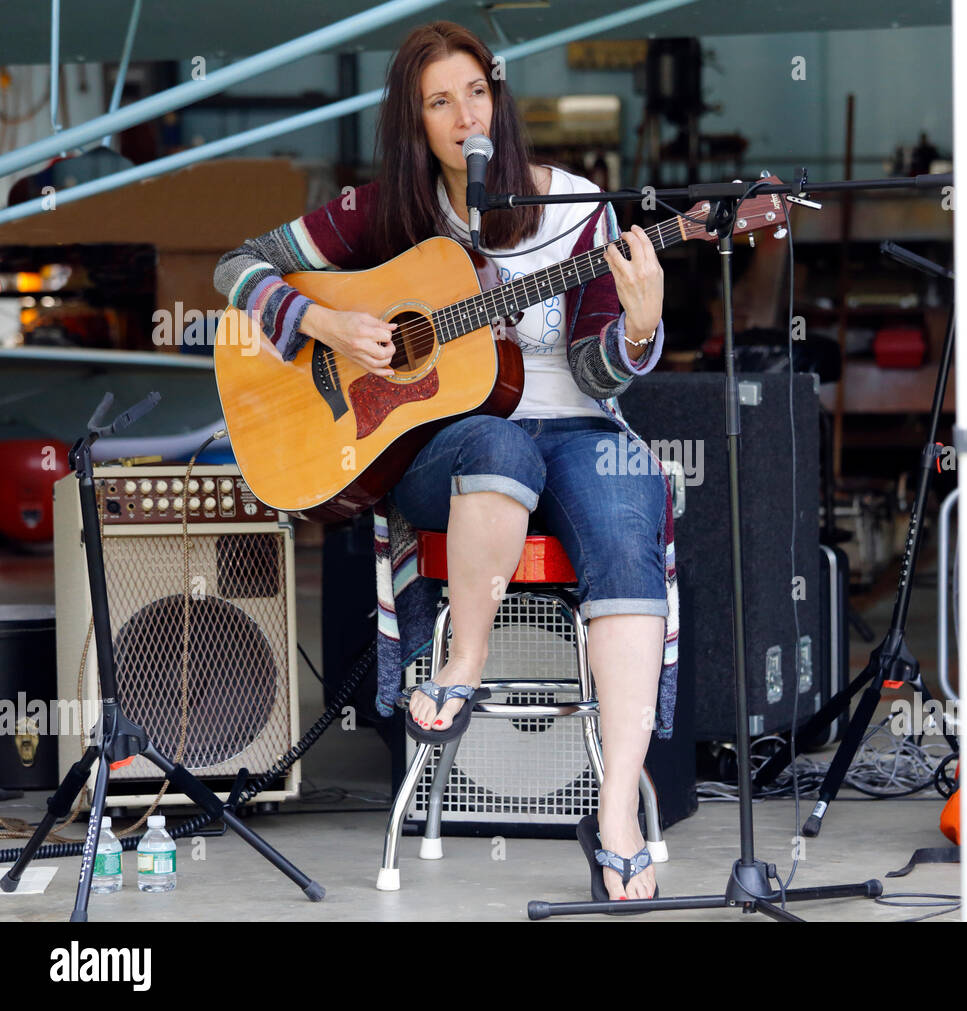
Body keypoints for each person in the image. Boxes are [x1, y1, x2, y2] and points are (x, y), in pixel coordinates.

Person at [214, 21, 678, 903]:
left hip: (575, 429)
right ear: (414, 121)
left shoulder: (578, 207)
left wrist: (641, 327)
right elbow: (239, 267)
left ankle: (616, 810)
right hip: (447, 446)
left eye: (477, 91)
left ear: (499, 101)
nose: (465, 113)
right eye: (439, 101)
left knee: (628, 507)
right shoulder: (388, 211)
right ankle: (462, 664)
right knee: (497, 441)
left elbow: (591, 367)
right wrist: (325, 322)